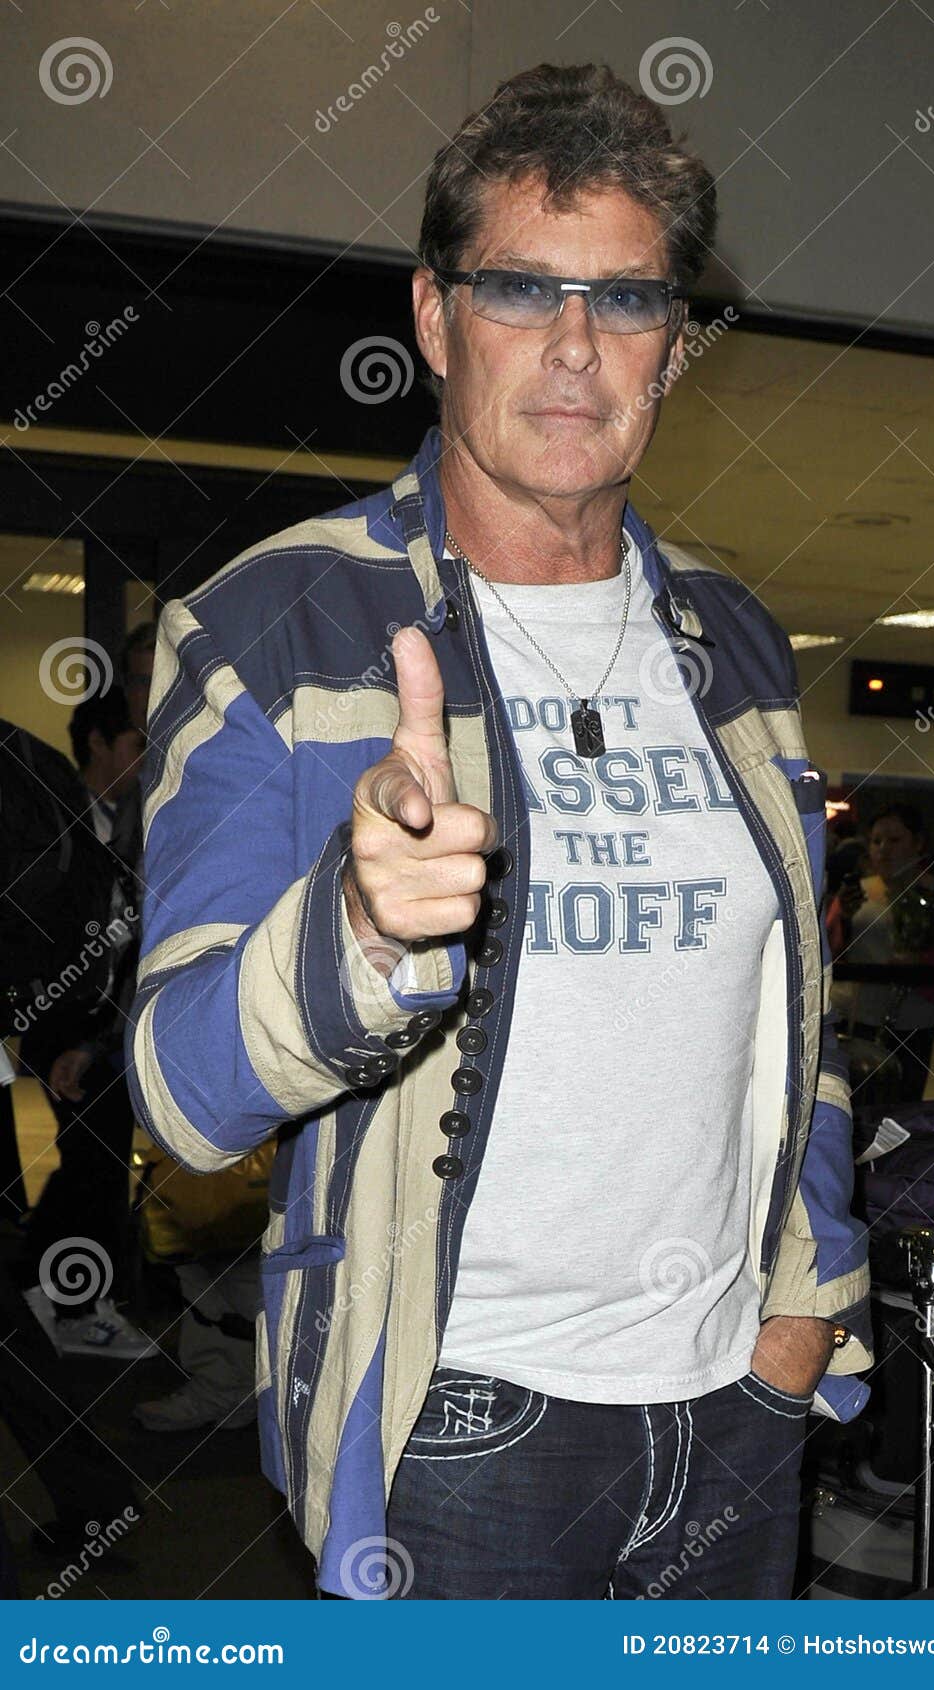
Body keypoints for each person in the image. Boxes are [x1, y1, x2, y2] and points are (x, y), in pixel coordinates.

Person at [127, 62, 872, 1600]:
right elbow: (178, 1098)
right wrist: (357, 928)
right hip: (458, 1422)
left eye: (628, 298)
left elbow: (796, 1015)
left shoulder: (732, 639)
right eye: (522, 288)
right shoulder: (274, 625)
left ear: (674, 345)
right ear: (433, 315)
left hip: (736, 1409)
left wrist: (805, 1313)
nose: (575, 347)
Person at [20, 687, 155, 1359]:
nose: (145, 758)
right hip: (67, 1019)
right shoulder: (57, 825)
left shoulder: (126, 821)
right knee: (95, 1163)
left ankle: (52, 1290)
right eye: (135, 744)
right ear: (99, 744)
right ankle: (74, 1304)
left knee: (92, 1160)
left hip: (104, 1020)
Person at [826, 803, 934, 1103]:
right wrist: (844, 919)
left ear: (918, 843)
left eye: (894, 840)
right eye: (876, 841)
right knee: (854, 1104)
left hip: (912, 1022)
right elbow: (827, 950)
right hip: (858, 1018)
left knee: (904, 1103)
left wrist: (922, 962)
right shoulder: (857, 892)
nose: (883, 849)